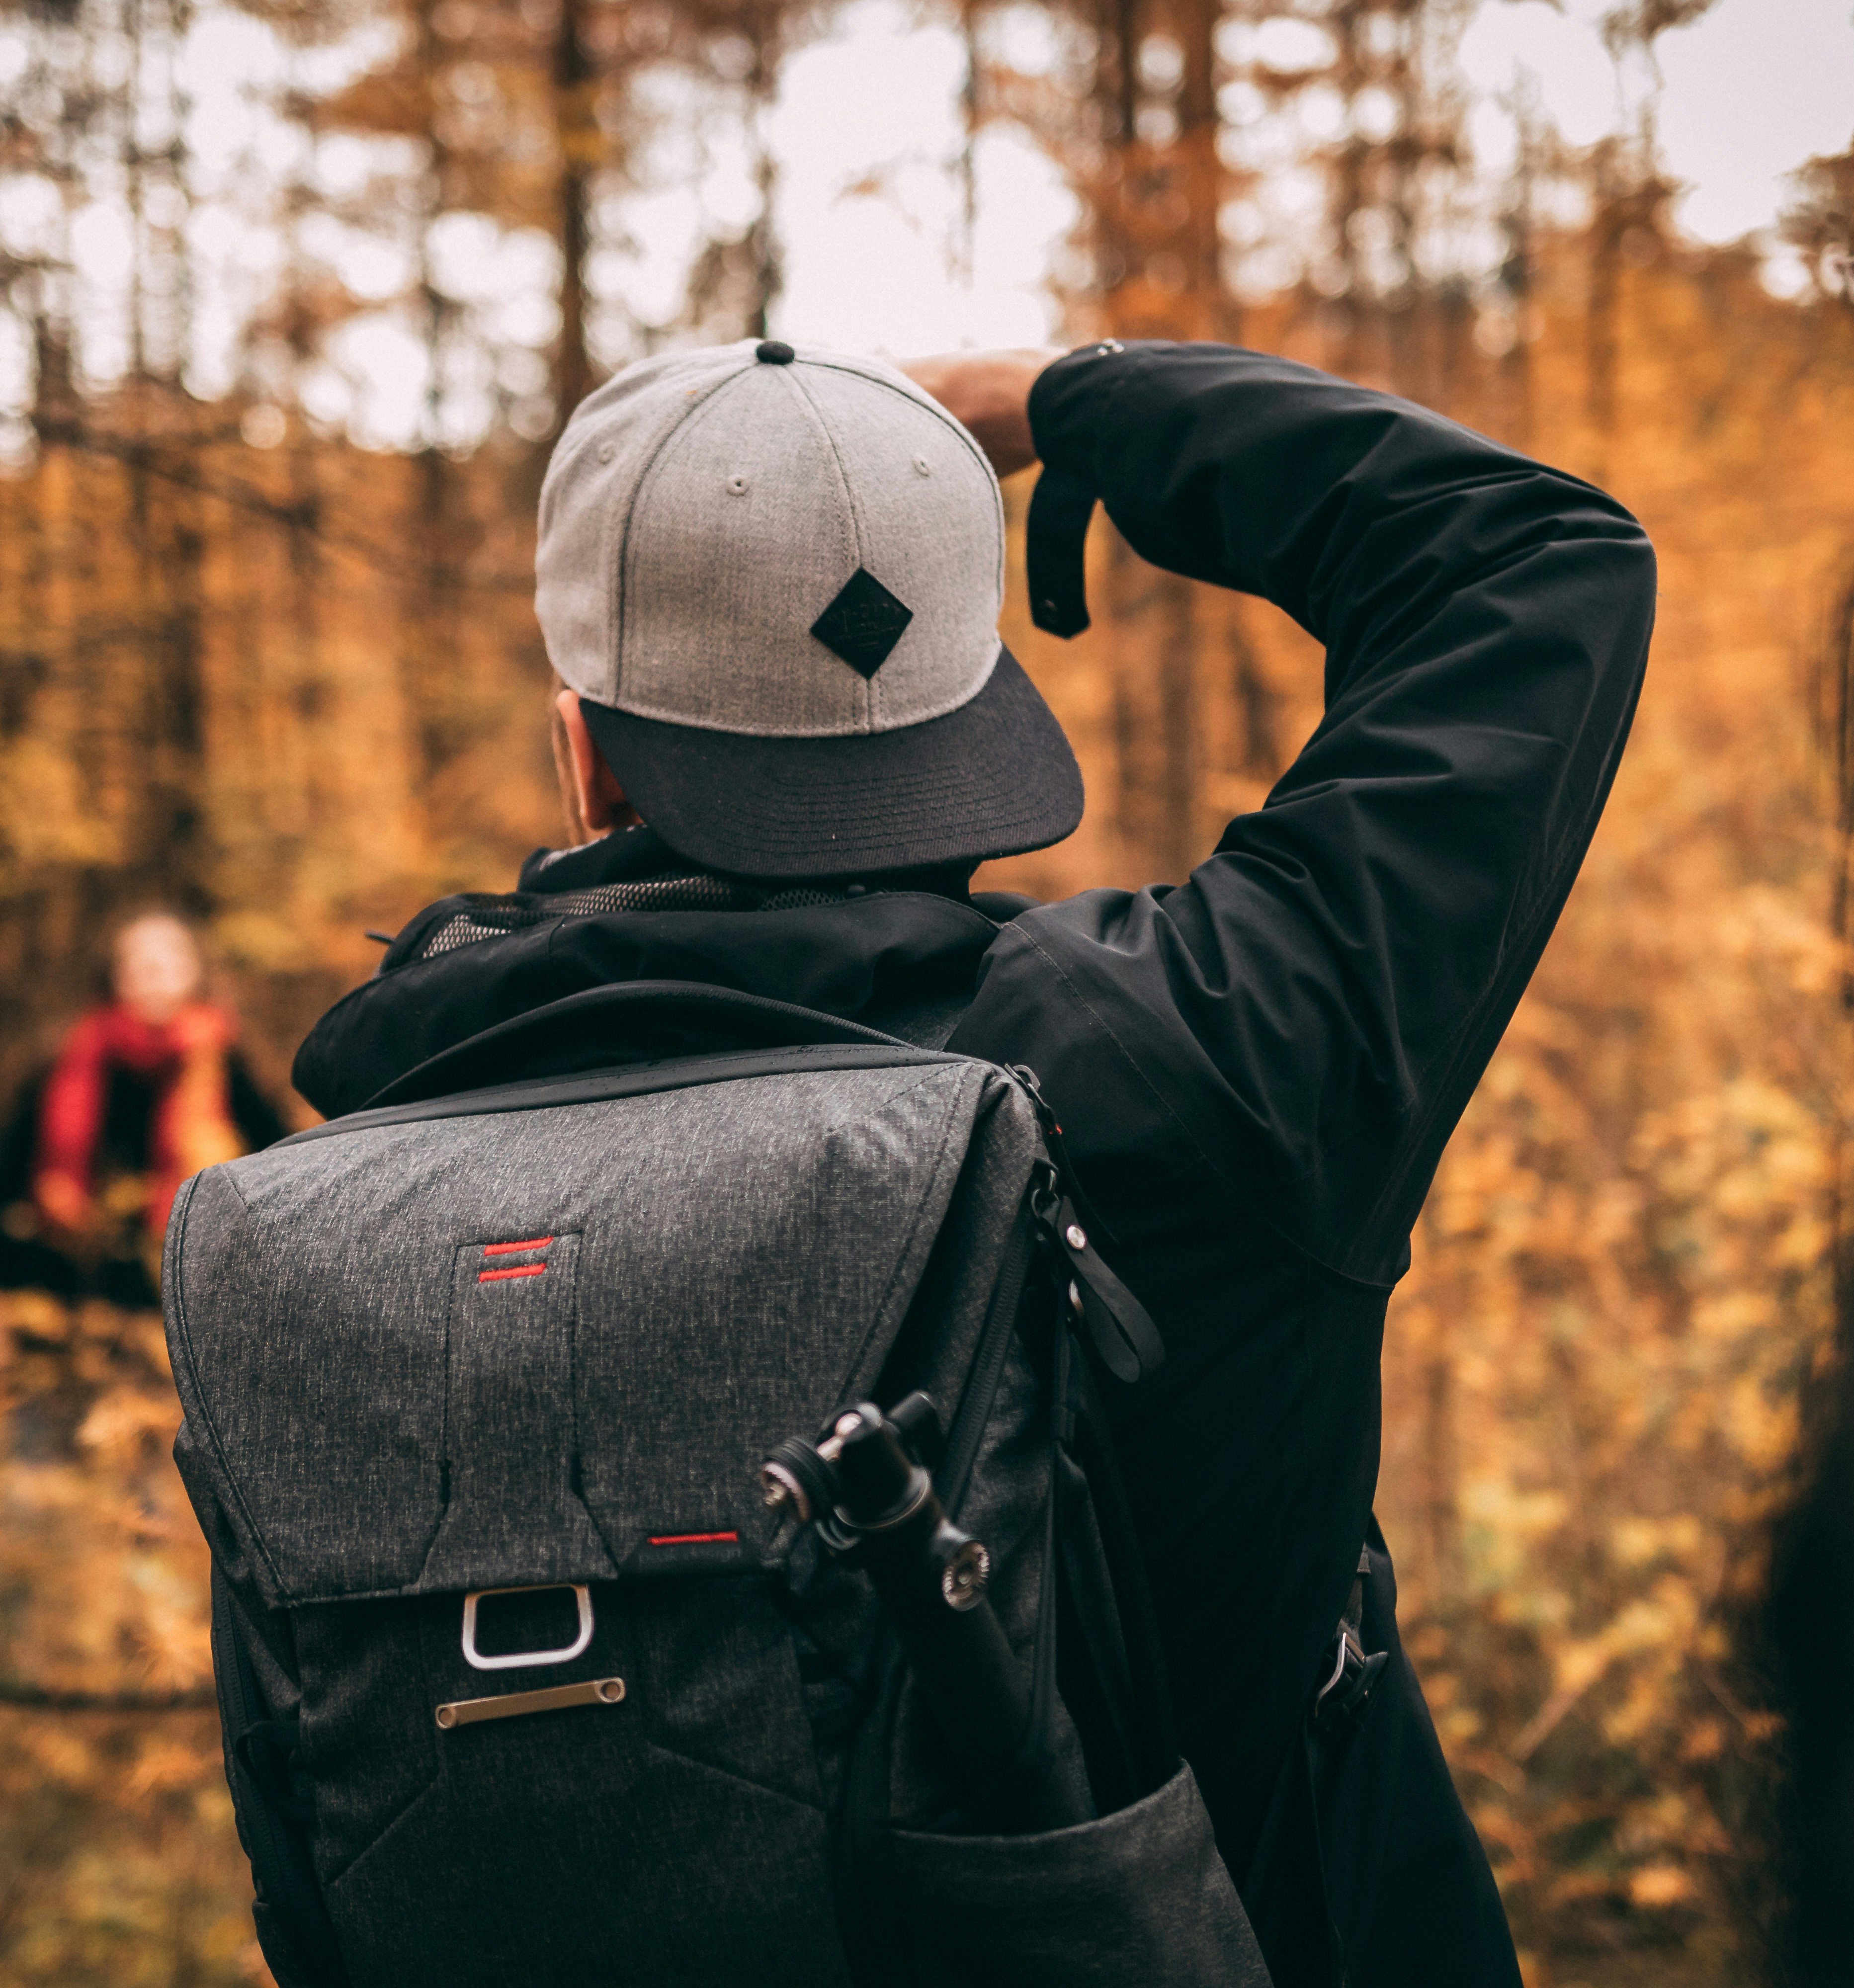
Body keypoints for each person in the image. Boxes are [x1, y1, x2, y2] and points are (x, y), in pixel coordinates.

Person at [286, 336, 1652, 1984]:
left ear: (581, 754)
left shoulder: (363, 1166)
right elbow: (1533, 561)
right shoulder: (1210, 1048)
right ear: (967, 732)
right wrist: (1069, 401)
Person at [0, 911, 288, 1313]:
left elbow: (283, 1167)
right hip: (70, 1297)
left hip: (193, 1298)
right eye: (139, 964)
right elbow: (3, 1188)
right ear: (114, 977)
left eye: (169, 962)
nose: (154, 975)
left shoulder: (226, 1062)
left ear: (194, 974)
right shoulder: (64, 1060)